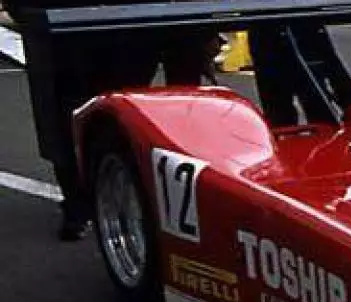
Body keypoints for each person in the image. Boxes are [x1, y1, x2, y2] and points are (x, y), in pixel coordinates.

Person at [2, 0, 215, 241]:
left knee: (122, 103)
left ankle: (120, 192)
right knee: (73, 102)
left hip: (128, 19)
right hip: (71, 20)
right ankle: (81, 199)